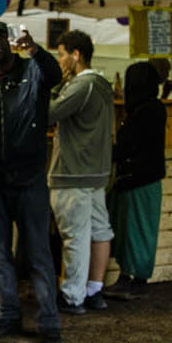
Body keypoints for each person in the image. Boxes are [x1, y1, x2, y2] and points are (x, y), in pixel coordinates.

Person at [0, 22, 64, 343]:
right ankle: (8, 314)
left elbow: (55, 75)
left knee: (38, 251)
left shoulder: (32, 70)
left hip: (30, 178)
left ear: (10, 42)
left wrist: (35, 49)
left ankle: (49, 321)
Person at [48, 29, 115, 315]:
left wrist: (51, 87)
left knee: (75, 236)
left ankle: (73, 296)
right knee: (100, 231)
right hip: (97, 171)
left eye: (62, 54)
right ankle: (94, 290)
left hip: (74, 171)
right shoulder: (103, 84)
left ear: (76, 55)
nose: (60, 60)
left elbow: (50, 112)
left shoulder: (82, 84)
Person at [110, 61, 167, 294]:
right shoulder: (155, 108)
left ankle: (127, 279)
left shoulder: (142, 113)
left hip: (137, 179)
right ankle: (139, 279)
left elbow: (127, 147)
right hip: (150, 179)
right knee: (144, 231)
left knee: (132, 230)